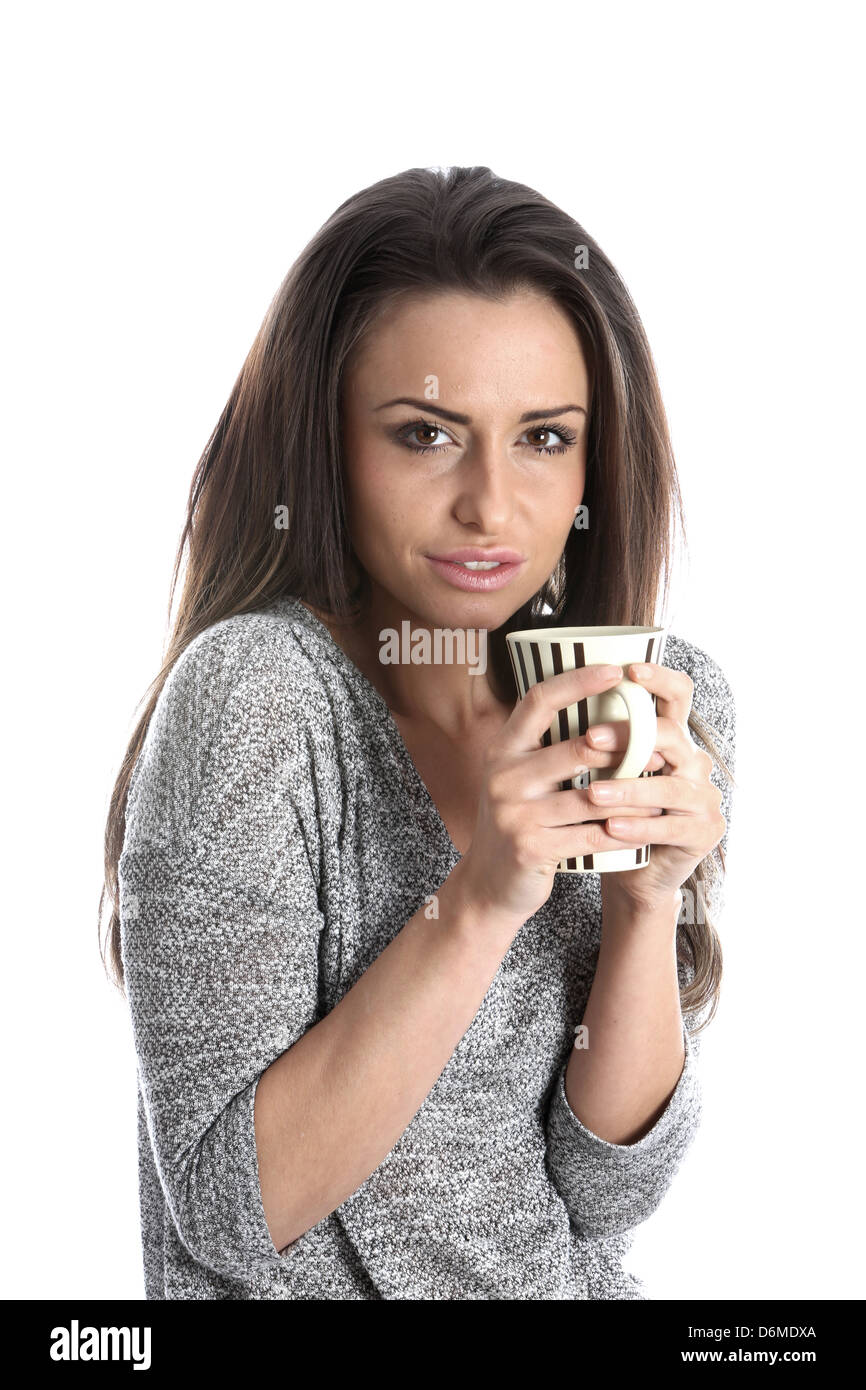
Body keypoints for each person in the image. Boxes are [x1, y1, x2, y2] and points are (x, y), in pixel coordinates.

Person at [99, 165, 736, 1300]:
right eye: (426, 434)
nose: (490, 505)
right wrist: (481, 900)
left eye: (543, 438)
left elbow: (605, 1194)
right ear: (327, 444)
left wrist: (645, 905)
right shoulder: (255, 699)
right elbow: (232, 1215)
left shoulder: (648, 694)